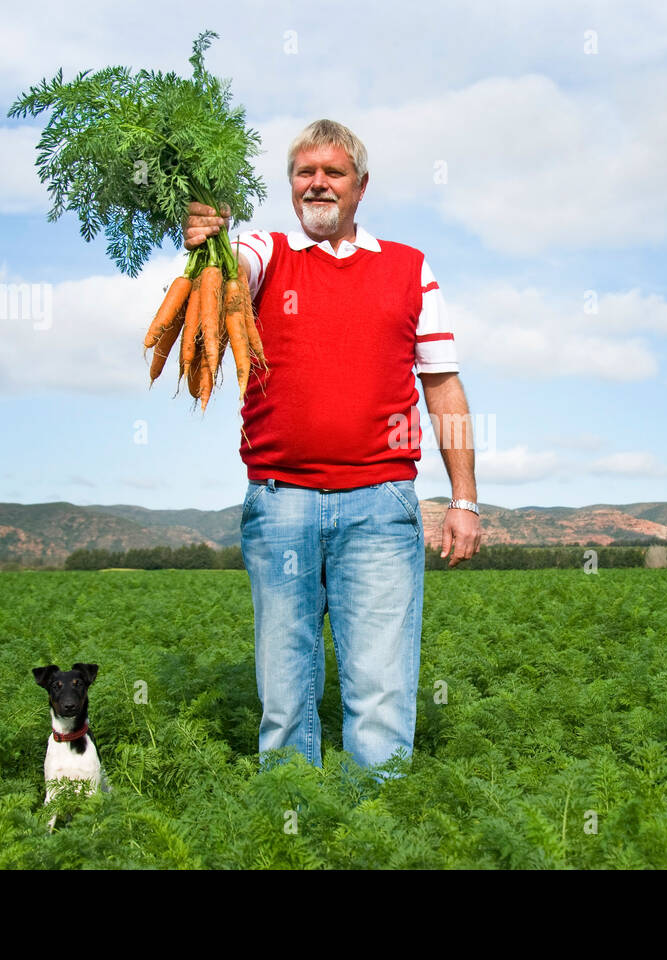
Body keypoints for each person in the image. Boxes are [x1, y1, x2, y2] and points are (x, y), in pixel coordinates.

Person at [184, 118, 481, 782]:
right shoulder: (263, 252)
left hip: (381, 507)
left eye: (333, 171)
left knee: (380, 692)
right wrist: (210, 241)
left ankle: (374, 833)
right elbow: (228, 272)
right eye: (304, 172)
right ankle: (292, 831)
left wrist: (464, 499)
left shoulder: (408, 267)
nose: (317, 183)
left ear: (361, 185)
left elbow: (444, 387)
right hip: (280, 503)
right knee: (285, 695)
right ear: (290, 185)